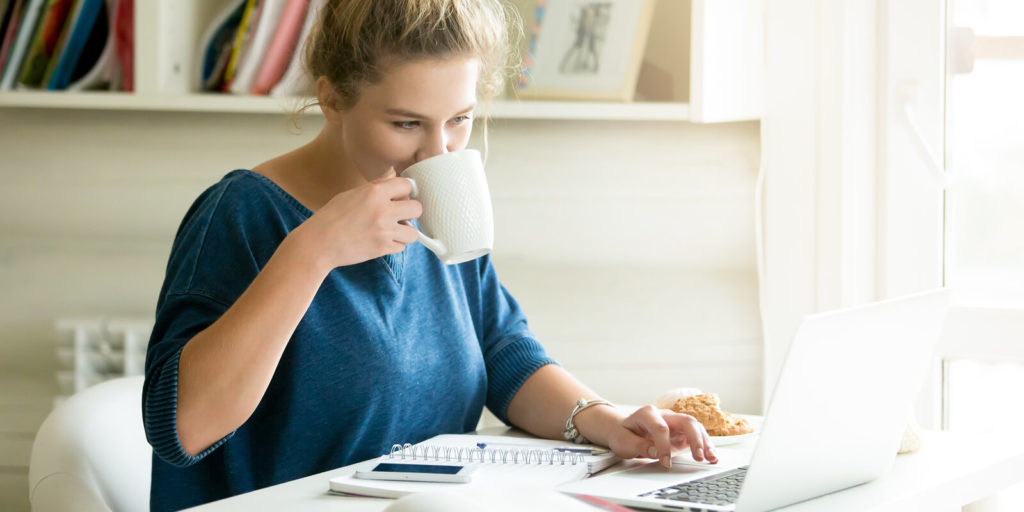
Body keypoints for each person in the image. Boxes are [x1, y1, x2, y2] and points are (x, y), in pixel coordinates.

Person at [142, 1, 718, 510]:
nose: (436, 153)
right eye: (406, 123)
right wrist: (313, 251)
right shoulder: (241, 214)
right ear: (331, 98)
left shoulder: (436, 205)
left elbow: (501, 349)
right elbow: (180, 428)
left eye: (459, 120)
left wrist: (601, 419)